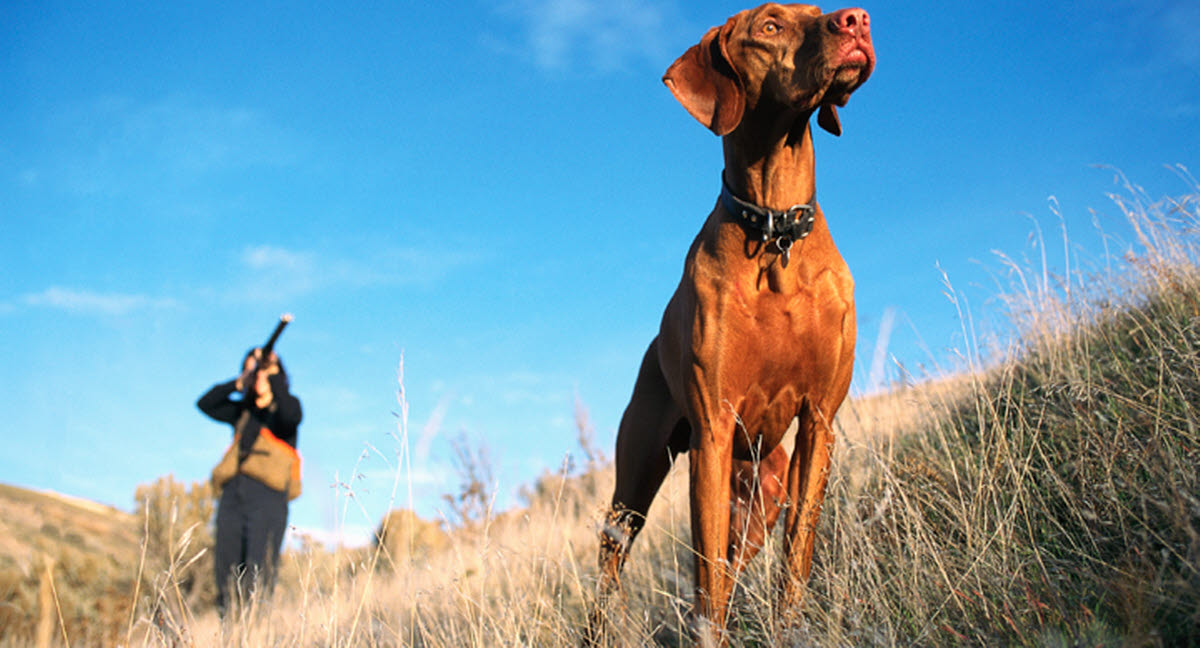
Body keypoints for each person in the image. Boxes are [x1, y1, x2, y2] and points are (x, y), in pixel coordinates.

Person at [197, 346, 302, 616]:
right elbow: (205, 403)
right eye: (252, 370)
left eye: (262, 369)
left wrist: (272, 371)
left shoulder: (285, 408)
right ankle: (229, 631)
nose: (258, 375)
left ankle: (255, 632)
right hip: (233, 496)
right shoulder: (242, 412)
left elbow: (292, 416)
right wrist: (239, 382)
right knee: (226, 574)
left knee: (259, 575)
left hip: (269, 498)